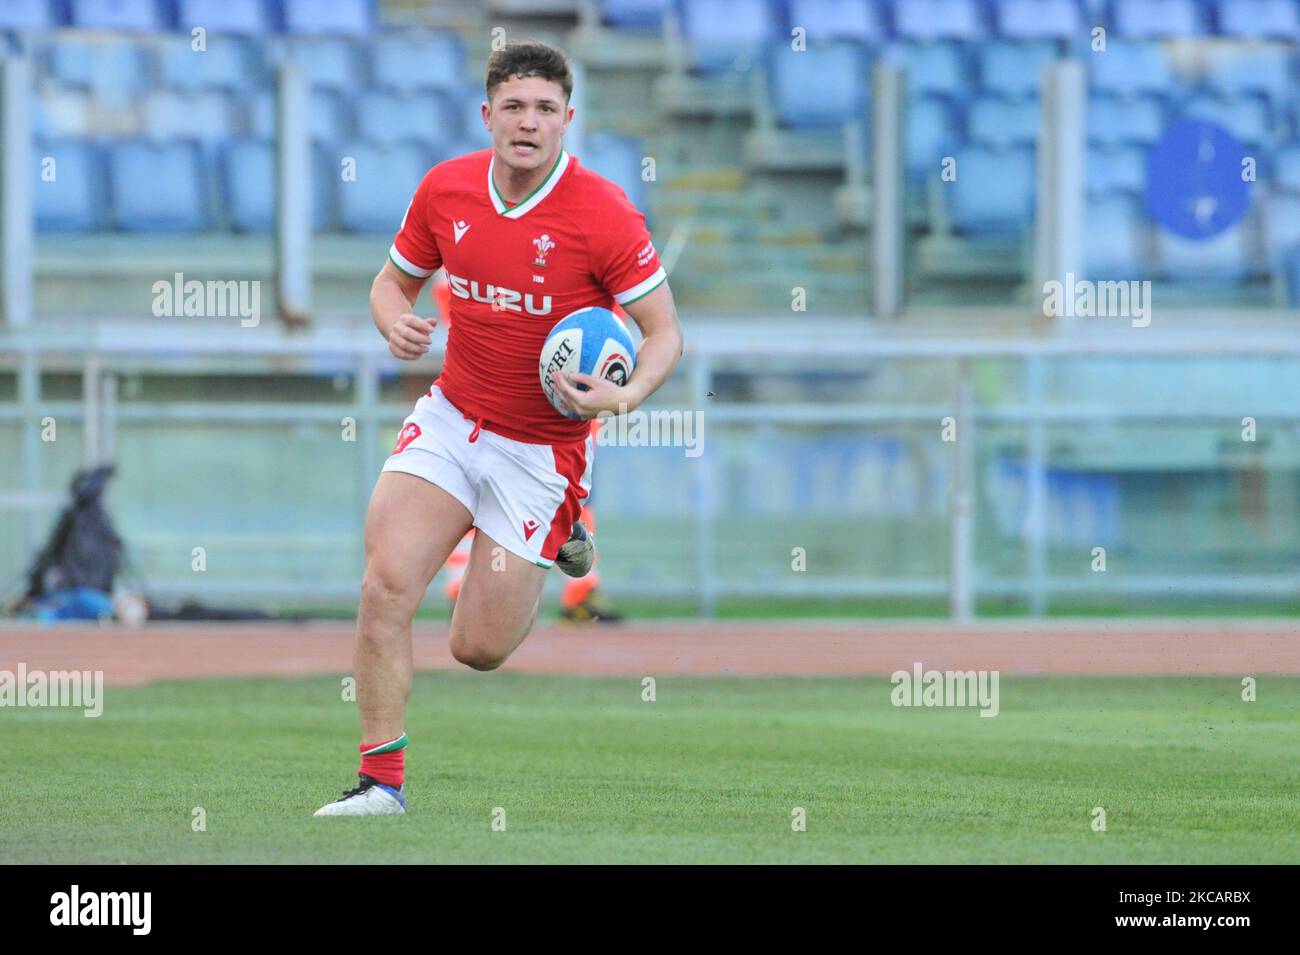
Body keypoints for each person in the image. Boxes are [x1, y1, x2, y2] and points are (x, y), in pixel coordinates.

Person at [315, 40, 683, 816]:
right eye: (514, 106)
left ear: (567, 121)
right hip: (452, 418)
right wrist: (395, 322)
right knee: (384, 585)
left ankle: (560, 528)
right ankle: (379, 785)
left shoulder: (603, 214)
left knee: (475, 648)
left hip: (541, 449)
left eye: (546, 109)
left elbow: (663, 334)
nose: (528, 121)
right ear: (487, 115)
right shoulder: (446, 190)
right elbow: (391, 282)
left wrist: (625, 397)